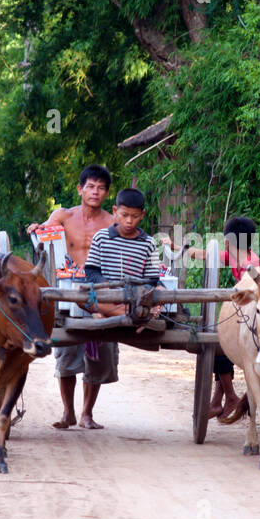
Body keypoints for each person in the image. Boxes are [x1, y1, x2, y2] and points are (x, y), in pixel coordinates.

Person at [26, 165, 116, 430]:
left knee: (98, 357)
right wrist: (36, 228)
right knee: (65, 357)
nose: (95, 192)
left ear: (107, 193)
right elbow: (45, 235)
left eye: (101, 188)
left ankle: (87, 413)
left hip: (101, 292)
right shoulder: (63, 216)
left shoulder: (112, 222)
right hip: (67, 291)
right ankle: (68, 413)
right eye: (90, 186)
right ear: (80, 189)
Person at [187, 215, 260, 422]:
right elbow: (203, 254)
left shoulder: (251, 265)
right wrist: (179, 246)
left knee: (218, 348)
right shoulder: (236, 256)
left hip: (253, 318)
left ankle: (229, 397)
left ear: (227, 242)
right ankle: (219, 401)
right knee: (220, 345)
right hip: (243, 314)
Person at [84, 188, 164, 328]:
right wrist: (107, 287)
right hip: (106, 295)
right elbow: (91, 271)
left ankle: (107, 315)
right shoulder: (101, 237)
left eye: (135, 216)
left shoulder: (149, 243)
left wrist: (138, 293)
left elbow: (152, 280)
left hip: (135, 298)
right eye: (124, 215)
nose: (129, 221)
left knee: (162, 291)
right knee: (81, 296)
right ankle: (136, 318)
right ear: (115, 211)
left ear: (142, 215)